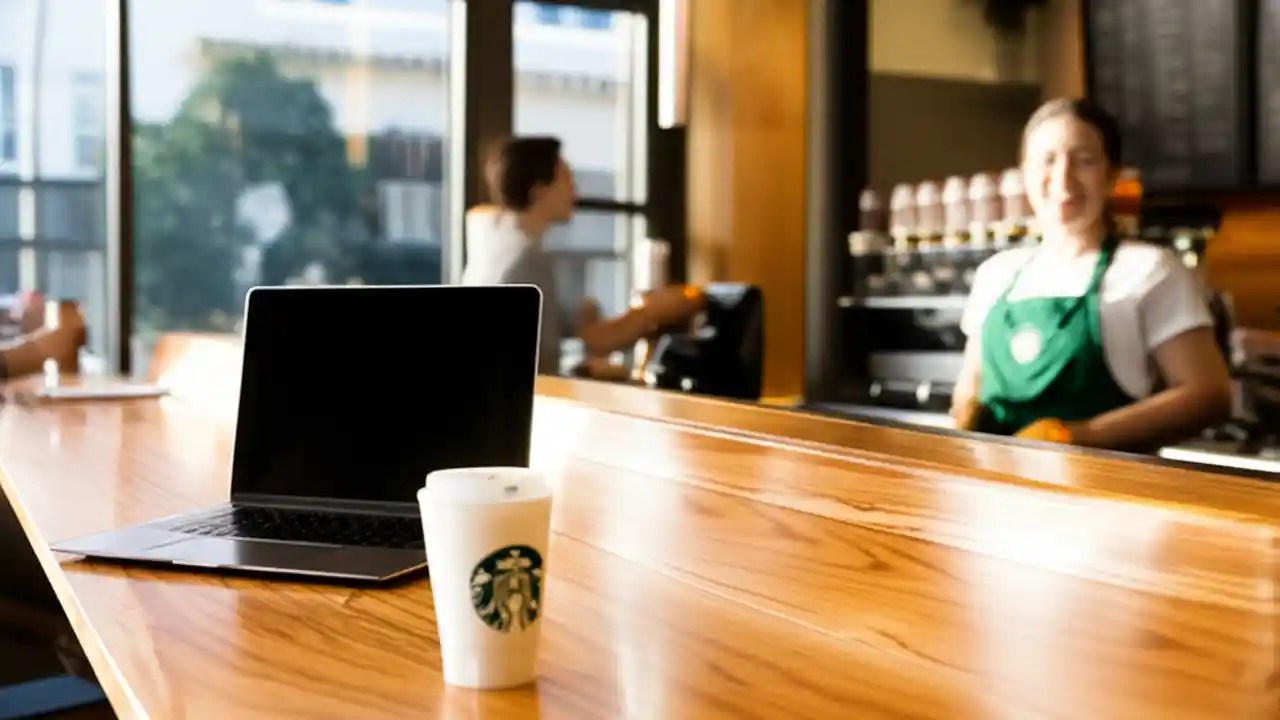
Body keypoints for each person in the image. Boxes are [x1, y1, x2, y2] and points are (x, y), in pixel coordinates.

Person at [950, 98, 1231, 451]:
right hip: (992, 494)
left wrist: (1078, 438)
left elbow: (1209, 395)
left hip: (1104, 496)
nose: (1063, 179)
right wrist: (961, 424)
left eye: (1084, 161)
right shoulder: (996, 275)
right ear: (1025, 174)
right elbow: (970, 385)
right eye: (1046, 161)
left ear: (1112, 175)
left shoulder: (1150, 270)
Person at [462, 136, 701, 374]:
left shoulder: (495, 243)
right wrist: (659, 310)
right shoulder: (528, 258)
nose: (575, 192)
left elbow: (574, 327)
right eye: (566, 179)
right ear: (539, 191)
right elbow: (598, 339)